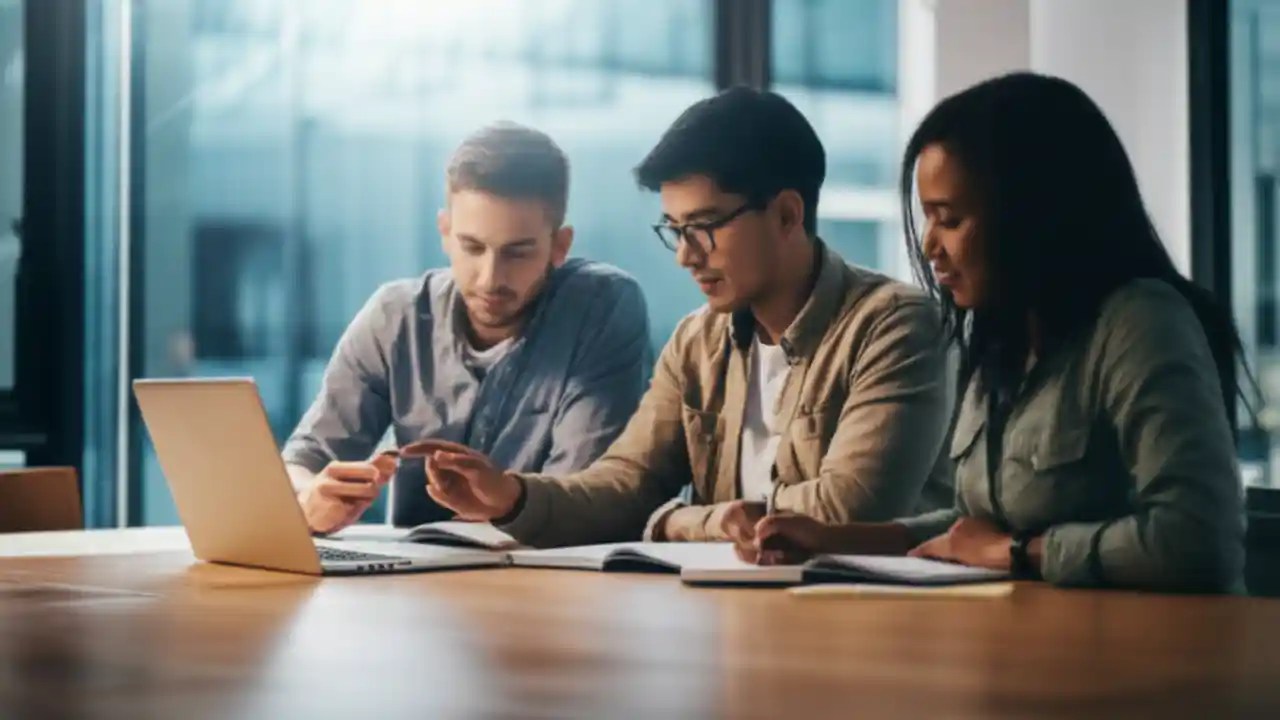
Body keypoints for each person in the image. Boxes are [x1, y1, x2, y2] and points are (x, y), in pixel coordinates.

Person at [738, 73, 1246, 593]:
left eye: (950, 219)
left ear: (1033, 213)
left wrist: (1018, 554)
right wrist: (833, 539)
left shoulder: (1140, 321)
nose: (931, 245)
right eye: (927, 219)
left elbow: (1195, 539)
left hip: (1155, 654)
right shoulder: (1002, 334)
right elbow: (974, 530)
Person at [416, 87, 953, 548]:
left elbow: (846, 512)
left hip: (867, 624)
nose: (685, 254)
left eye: (704, 225)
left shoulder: (894, 326)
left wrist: (678, 520)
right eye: (674, 228)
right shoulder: (698, 340)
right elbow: (627, 483)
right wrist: (510, 496)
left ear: (788, 214)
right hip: (729, 618)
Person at [283, 122, 651, 534]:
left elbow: (583, 501)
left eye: (518, 252)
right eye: (472, 247)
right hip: (411, 583)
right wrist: (309, 497)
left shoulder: (601, 309)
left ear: (560, 245)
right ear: (445, 233)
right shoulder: (395, 316)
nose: (490, 278)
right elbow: (304, 459)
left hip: (546, 579)